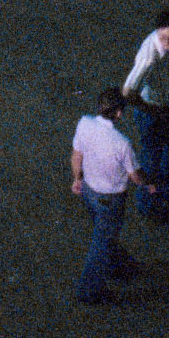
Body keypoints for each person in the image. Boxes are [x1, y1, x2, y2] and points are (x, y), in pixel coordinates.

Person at [67, 90, 140, 304]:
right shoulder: (122, 143)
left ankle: (116, 266)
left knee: (104, 233)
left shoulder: (85, 123)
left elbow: (76, 156)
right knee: (102, 242)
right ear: (118, 114)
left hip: (89, 191)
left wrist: (77, 179)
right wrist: (150, 182)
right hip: (111, 199)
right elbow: (135, 176)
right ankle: (88, 290)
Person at [119, 10, 169, 216]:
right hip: (154, 112)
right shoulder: (149, 57)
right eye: (164, 39)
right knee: (152, 160)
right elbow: (128, 91)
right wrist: (151, 110)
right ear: (157, 33)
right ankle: (148, 206)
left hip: (167, 106)